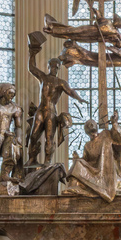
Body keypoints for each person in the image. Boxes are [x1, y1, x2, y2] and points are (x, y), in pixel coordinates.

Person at [62, 113, 121, 202]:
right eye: (87, 124)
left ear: (97, 126)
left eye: (92, 122)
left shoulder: (106, 134)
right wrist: (77, 159)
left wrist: (114, 123)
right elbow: (86, 162)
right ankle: (74, 188)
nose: (90, 124)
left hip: (108, 174)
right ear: (86, 131)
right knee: (77, 164)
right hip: (94, 174)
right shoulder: (87, 146)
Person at [27, 35, 85, 165]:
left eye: (57, 67)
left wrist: (79, 98)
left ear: (59, 68)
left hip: (51, 112)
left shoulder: (60, 82)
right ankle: (32, 160)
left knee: (49, 138)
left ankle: (47, 162)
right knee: (33, 136)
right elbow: (32, 68)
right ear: (49, 66)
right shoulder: (43, 77)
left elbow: (70, 91)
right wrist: (32, 53)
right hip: (40, 110)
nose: (55, 68)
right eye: (53, 66)